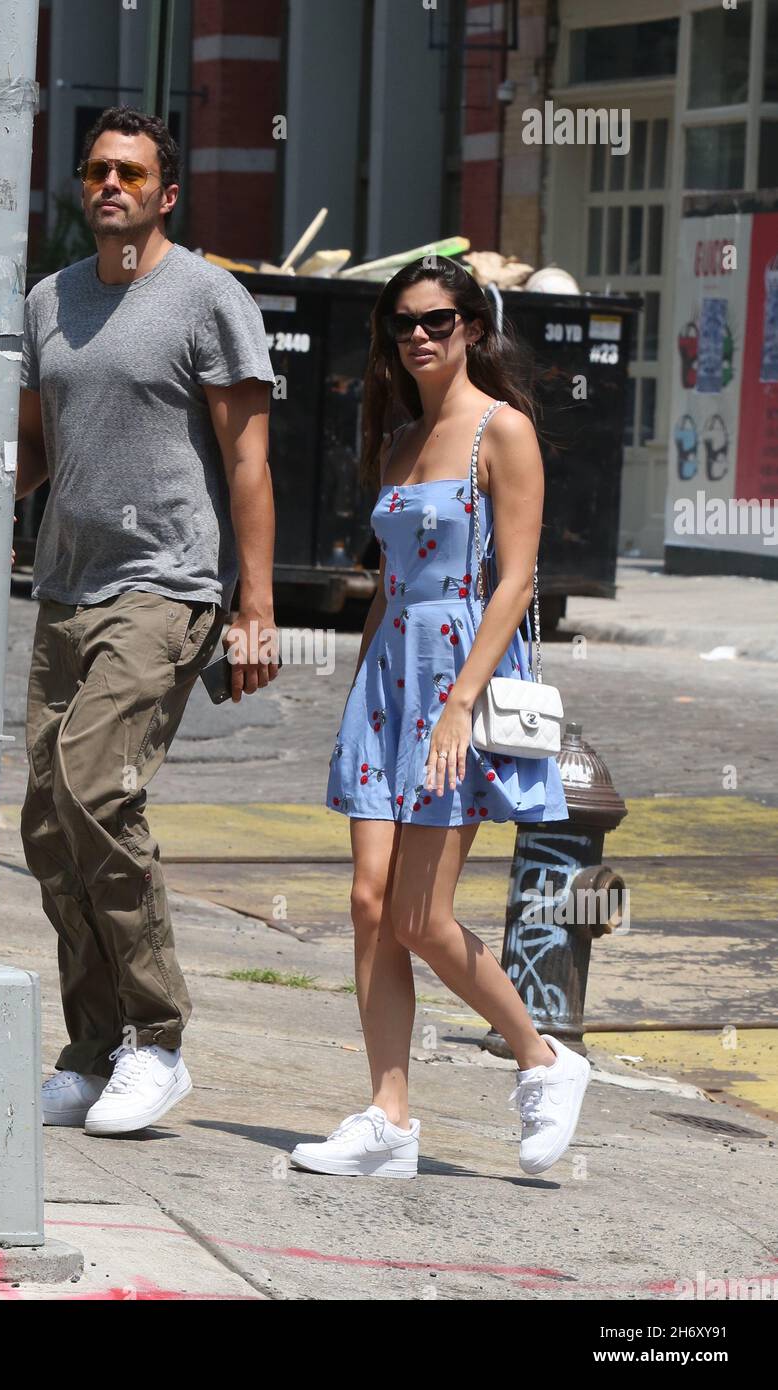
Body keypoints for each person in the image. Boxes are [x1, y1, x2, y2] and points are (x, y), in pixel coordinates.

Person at [290, 257, 588, 1179]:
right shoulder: (397, 443)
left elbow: (517, 581)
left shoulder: (503, 432)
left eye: (438, 319)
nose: (418, 335)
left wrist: (459, 703)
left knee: (422, 916)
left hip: (458, 683)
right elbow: (388, 585)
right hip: (388, 683)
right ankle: (390, 1118)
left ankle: (543, 1060)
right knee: (371, 907)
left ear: (472, 328)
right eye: (402, 324)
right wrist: (358, 691)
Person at [16, 105, 279, 1136]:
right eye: (95, 171)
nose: (109, 185)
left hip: (165, 586)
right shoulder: (51, 300)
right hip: (63, 586)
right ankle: (89, 1051)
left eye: (130, 172)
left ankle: (157, 1040)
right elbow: (33, 449)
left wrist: (253, 607)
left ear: (167, 193)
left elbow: (250, 458)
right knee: (47, 824)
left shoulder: (208, 299)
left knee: (93, 786)